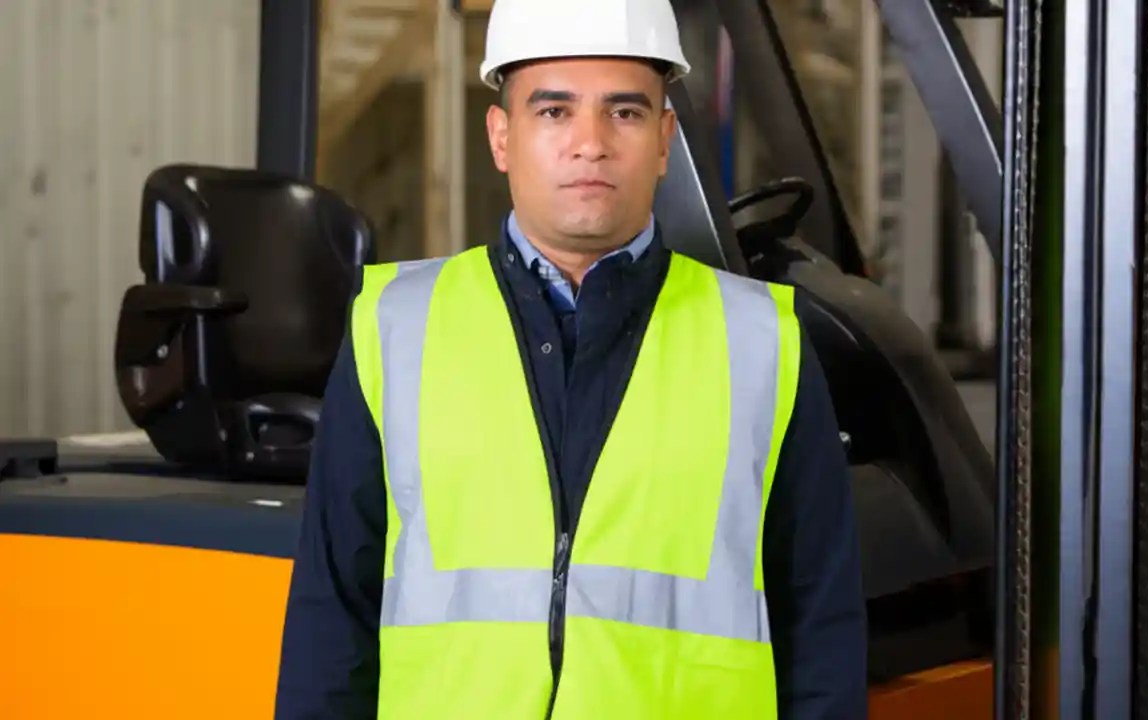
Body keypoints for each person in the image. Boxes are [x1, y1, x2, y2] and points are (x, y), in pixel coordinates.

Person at [273, 0, 866, 717]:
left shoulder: (764, 343)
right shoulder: (395, 328)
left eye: (624, 113)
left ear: (664, 139)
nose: (590, 143)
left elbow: (822, 631)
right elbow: (331, 619)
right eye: (554, 112)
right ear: (501, 136)